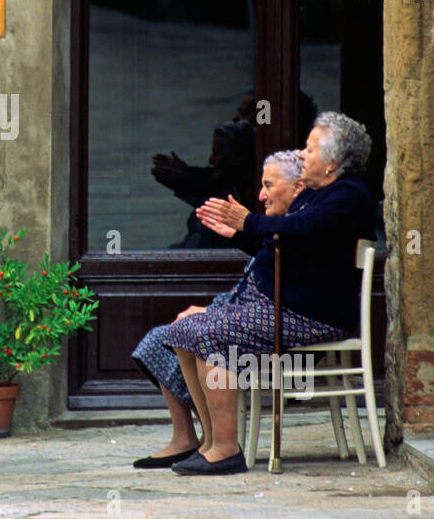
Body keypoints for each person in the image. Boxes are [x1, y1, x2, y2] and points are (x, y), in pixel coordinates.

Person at [164, 111, 375, 475]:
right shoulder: (318, 193)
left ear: (333, 163)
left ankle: (227, 450)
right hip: (288, 306)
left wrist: (246, 221)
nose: (302, 156)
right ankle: (210, 442)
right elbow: (282, 238)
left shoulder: (348, 195)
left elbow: (300, 230)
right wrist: (243, 231)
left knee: (209, 332)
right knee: (183, 330)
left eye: (309, 150)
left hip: (311, 314)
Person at [129, 150, 305, 468]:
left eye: (269, 185)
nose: (261, 194)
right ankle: (188, 439)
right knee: (162, 336)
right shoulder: (280, 223)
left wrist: (213, 314)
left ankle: (222, 447)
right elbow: (266, 262)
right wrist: (241, 235)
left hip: (283, 331)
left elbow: (281, 283)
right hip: (254, 313)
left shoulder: (302, 222)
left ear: (298, 186)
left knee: (201, 332)